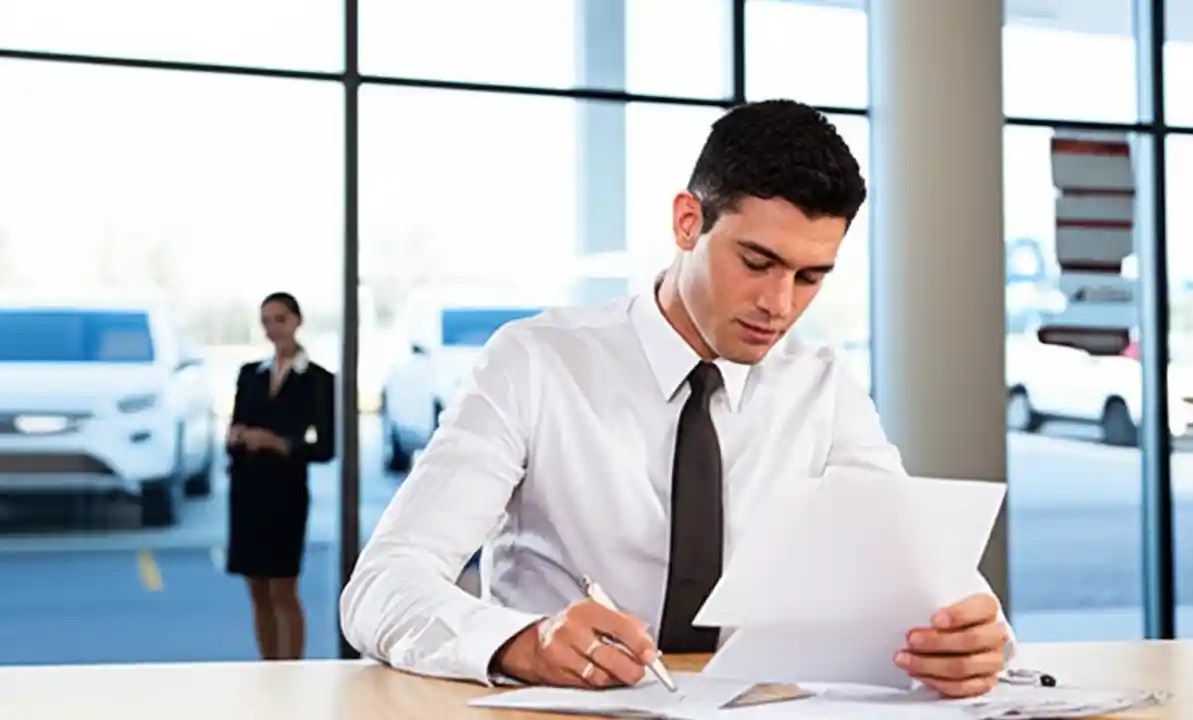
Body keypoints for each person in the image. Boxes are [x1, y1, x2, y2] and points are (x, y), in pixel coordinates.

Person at [340, 99, 1009, 697]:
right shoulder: (536, 363)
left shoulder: (823, 387)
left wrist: (970, 635)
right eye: (757, 262)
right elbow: (383, 584)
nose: (779, 305)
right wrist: (524, 643)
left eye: (810, 277)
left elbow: (912, 565)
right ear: (688, 221)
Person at [226, 292, 334, 660]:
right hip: (248, 490)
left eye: (280, 319)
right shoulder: (250, 375)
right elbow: (235, 426)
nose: (273, 329)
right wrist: (238, 437)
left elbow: (325, 447)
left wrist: (277, 443)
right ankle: (268, 666)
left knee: (283, 588)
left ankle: (293, 669)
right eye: (266, 321)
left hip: (285, 495)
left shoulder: (318, 380)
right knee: (256, 588)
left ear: (297, 321)